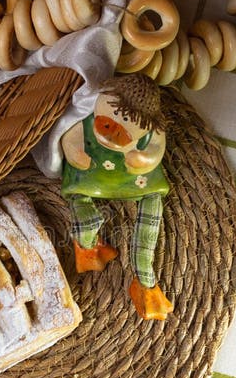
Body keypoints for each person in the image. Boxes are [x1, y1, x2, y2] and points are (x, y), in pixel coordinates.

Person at [61, 73, 173, 320]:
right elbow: (71, 134)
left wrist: (143, 159)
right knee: (80, 205)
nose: (111, 133)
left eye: (125, 124)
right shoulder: (88, 113)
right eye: (111, 118)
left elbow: (155, 151)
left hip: (133, 177)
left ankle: (145, 280)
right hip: (91, 171)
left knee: (153, 204)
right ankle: (88, 245)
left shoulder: (153, 129)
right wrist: (74, 151)